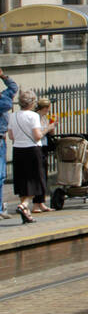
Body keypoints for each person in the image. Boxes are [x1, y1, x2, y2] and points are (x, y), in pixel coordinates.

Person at [7, 89, 47, 223]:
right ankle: (24, 205)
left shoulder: (13, 116)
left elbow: (11, 136)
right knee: (35, 180)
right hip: (32, 150)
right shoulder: (33, 116)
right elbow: (37, 136)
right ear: (32, 103)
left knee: (22, 180)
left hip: (18, 150)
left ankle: (27, 213)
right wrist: (47, 129)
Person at [33, 98, 58, 212]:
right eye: (48, 108)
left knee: (44, 174)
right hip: (38, 147)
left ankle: (41, 202)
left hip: (44, 146)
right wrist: (48, 128)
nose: (49, 110)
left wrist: (52, 126)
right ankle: (36, 203)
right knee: (40, 175)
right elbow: (39, 133)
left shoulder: (43, 117)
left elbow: (49, 133)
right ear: (45, 108)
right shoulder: (35, 117)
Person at [0, 67, 19, 218]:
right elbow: (7, 104)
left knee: (1, 176)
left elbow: (14, 88)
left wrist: (3, 76)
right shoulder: (2, 100)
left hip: (2, 139)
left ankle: (0, 208)